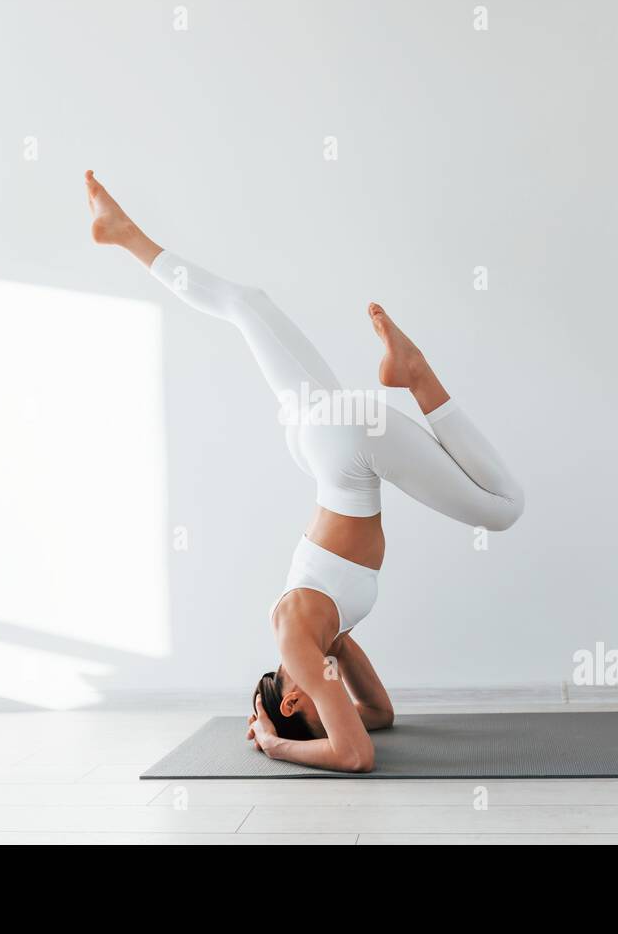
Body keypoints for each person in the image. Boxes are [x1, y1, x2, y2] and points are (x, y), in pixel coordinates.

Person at [85, 170, 524, 772]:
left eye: (318, 705)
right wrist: (324, 690)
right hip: (323, 438)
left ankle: (416, 374)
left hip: (348, 449)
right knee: (247, 305)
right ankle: (126, 235)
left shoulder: (296, 637)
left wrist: (275, 744)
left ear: (295, 697)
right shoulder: (321, 640)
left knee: (502, 508)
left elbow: (357, 754)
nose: (332, 700)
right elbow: (380, 716)